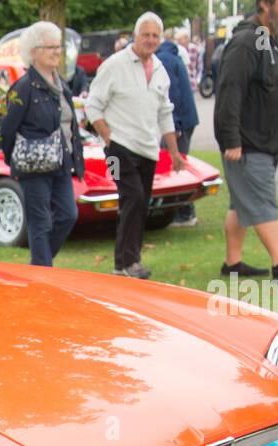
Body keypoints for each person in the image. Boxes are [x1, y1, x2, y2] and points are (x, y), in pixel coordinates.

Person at [214, 0, 278, 281]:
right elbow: (230, 91)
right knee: (263, 201)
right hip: (248, 143)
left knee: (240, 204)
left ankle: (232, 263)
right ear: (265, 5)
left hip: (264, 142)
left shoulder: (271, 39)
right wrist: (232, 139)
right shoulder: (247, 42)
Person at [85, 12, 186, 279]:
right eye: (146, 35)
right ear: (135, 35)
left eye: (155, 36)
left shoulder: (161, 70)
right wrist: (108, 137)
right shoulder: (115, 65)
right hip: (118, 149)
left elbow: (165, 112)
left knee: (141, 204)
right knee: (133, 198)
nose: (150, 40)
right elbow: (92, 104)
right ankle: (123, 264)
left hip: (147, 149)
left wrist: (175, 153)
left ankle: (132, 261)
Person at [0, 20, 85, 267]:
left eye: (58, 46)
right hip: (33, 167)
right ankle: (43, 271)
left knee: (69, 215)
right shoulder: (23, 87)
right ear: (34, 52)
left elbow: (71, 126)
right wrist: (13, 159)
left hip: (61, 163)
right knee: (40, 222)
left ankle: (39, 265)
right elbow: (7, 129)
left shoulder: (62, 85)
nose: (57, 51)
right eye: (50, 47)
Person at [156, 30, 199, 226]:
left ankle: (186, 212)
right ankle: (181, 210)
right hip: (185, 118)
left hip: (179, 121)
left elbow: (172, 96)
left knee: (176, 164)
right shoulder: (170, 57)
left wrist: (174, 125)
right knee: (173, 162)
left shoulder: (162, 61)